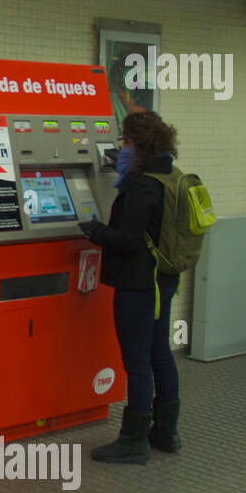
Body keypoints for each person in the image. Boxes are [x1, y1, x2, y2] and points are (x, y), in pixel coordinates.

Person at [76, 110, 182, 465]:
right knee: (159, 354)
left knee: (137, 362)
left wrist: (94, 231)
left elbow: (127, 239)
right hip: (162, 280)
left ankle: (133, 440)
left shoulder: (143, 187)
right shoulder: (171, 176)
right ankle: (166, 433)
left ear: (135, 144)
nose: (120, 146)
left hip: (138, 285)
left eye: (124, 141)